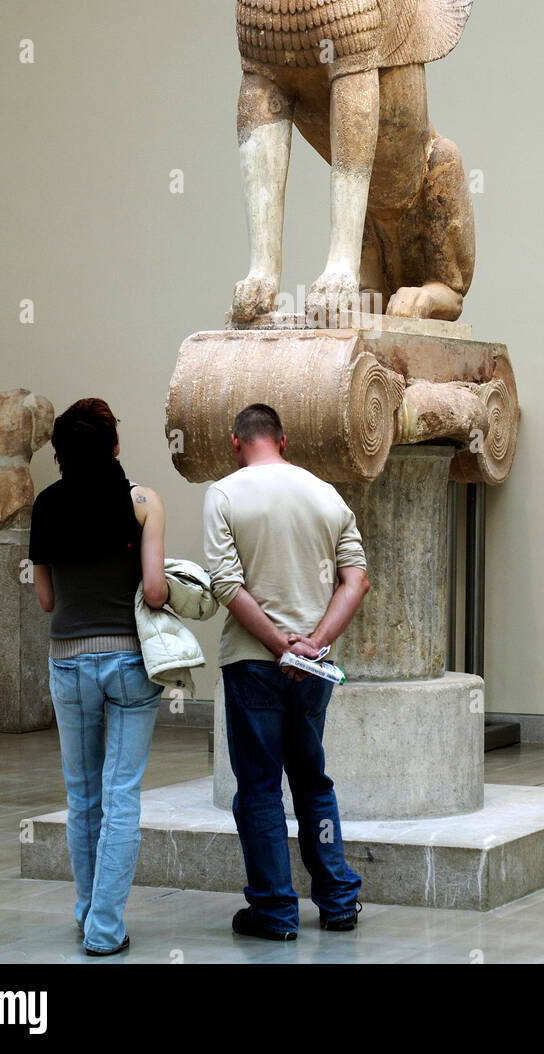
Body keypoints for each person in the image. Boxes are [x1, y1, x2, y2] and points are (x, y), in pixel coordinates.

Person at [203, 402, 370, 941]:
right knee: (312, 780)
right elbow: (356, 581)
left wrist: (280, 647)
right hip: (313, 670)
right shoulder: (326, 493)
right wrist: (312, 646)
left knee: (258, 789)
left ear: (236, 442)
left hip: (255, 662)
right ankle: (339, 900)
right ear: (283, 440)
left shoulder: (225, 494)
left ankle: (275, 912)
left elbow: (227, 586)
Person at [29, 398, 169, 956]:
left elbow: (45, 600)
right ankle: (105, 929)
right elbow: (155, 591)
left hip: (67, 661)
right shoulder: (141, 502)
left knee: (82, 796)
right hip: (129, 662)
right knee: (122, 796)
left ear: (60, 453)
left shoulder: (44, 506)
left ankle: (88, 914)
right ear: (114, 446)